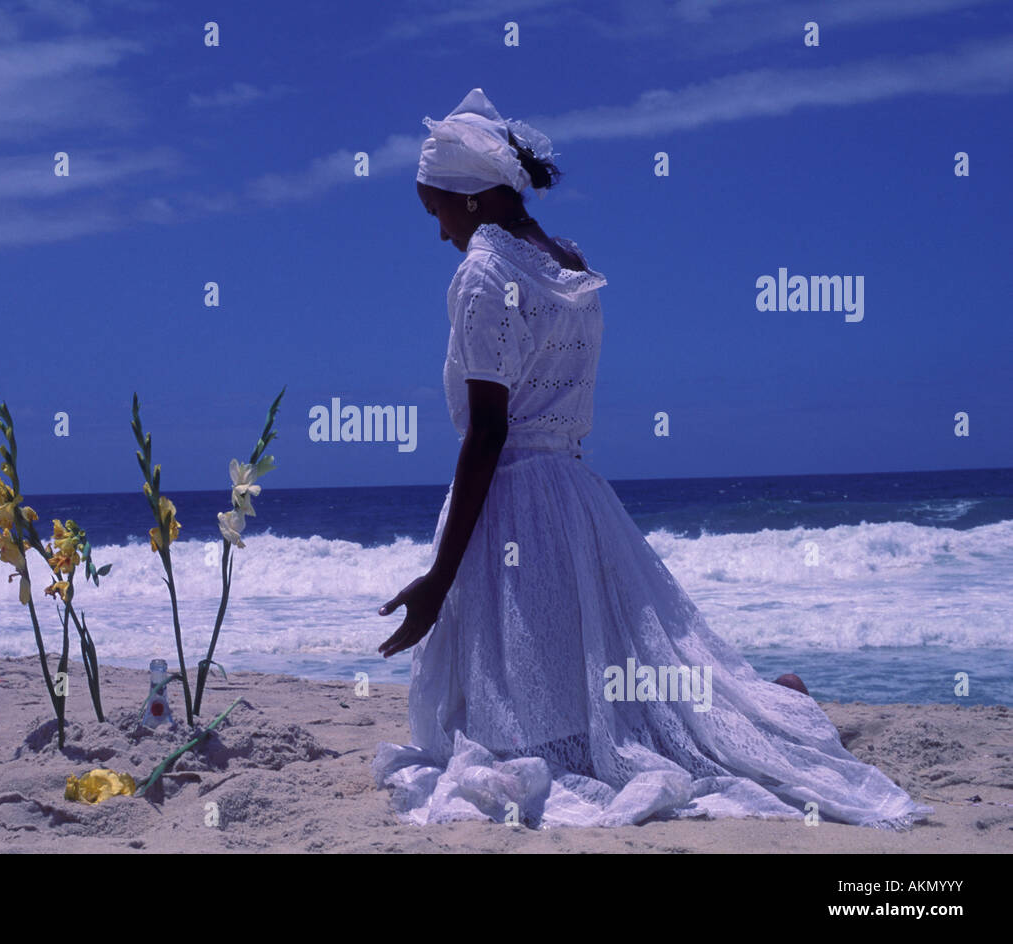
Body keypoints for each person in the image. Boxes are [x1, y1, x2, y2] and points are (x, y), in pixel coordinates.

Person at [371, 88, 932, 829]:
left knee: (526, 728)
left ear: (472, 200)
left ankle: (764, 717)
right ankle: (770, 707)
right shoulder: (566, 260)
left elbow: (488, 433)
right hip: (574, 497)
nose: (439, 232)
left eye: (437, 210)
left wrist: (440, 579)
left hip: (513, 503)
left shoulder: (484, 274)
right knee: (613, 684)